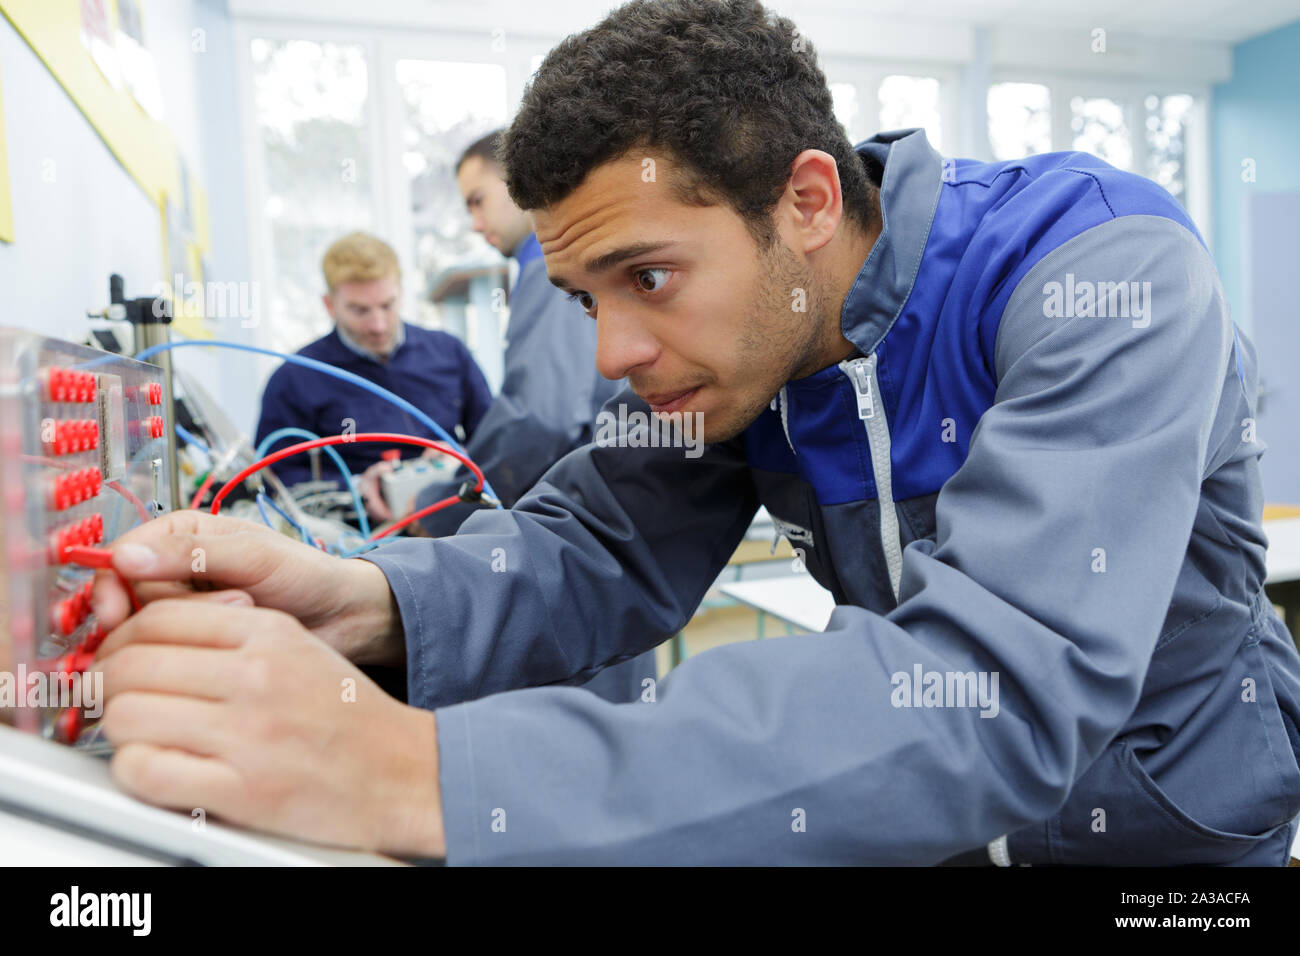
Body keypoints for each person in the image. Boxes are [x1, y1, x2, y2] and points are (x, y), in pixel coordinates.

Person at [91, 0, 1300, 865]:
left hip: (1164, 831)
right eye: (584, 300)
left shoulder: (1101, 267)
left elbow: (997, 686)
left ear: (808, 202)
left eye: (647, 277)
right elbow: (597, 541)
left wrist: (413, 775)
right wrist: (363, 598)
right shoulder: (749, 349)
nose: (611, 350)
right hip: (920, 817)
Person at [388, 131, 654, 704]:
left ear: (518, 182)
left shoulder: (550, 272)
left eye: (478, 199)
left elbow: (540, 419)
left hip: (574, 545)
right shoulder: (558, 272)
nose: (474, 221)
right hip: (596, 542)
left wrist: (435, 505)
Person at [254, 232, 493, 508]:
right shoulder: (296, 378)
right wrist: (355, 488)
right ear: (330, 305)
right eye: (360, 310)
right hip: (355, 529)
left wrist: (458, 460)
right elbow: (274, 476)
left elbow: (494, 441)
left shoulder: (449, 353)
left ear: (401, 293)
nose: (378, 325)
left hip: (454, 509)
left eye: (387, 305)